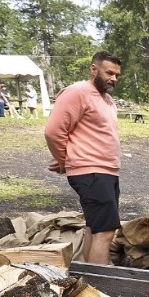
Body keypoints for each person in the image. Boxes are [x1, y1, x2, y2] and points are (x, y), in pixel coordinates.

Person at [44, 51, 123, 265]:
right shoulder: (78, 92)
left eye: (117, 75)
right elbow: (54, 131)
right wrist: (64, 160)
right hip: (93, 172)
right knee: (105, 232)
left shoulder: (106, 99)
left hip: (106, 171)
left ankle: (91, 279)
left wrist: (68, 158)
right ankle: (101, 287)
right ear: (93, 69)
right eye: (109, 73)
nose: (113, 79)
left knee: (94, 228)